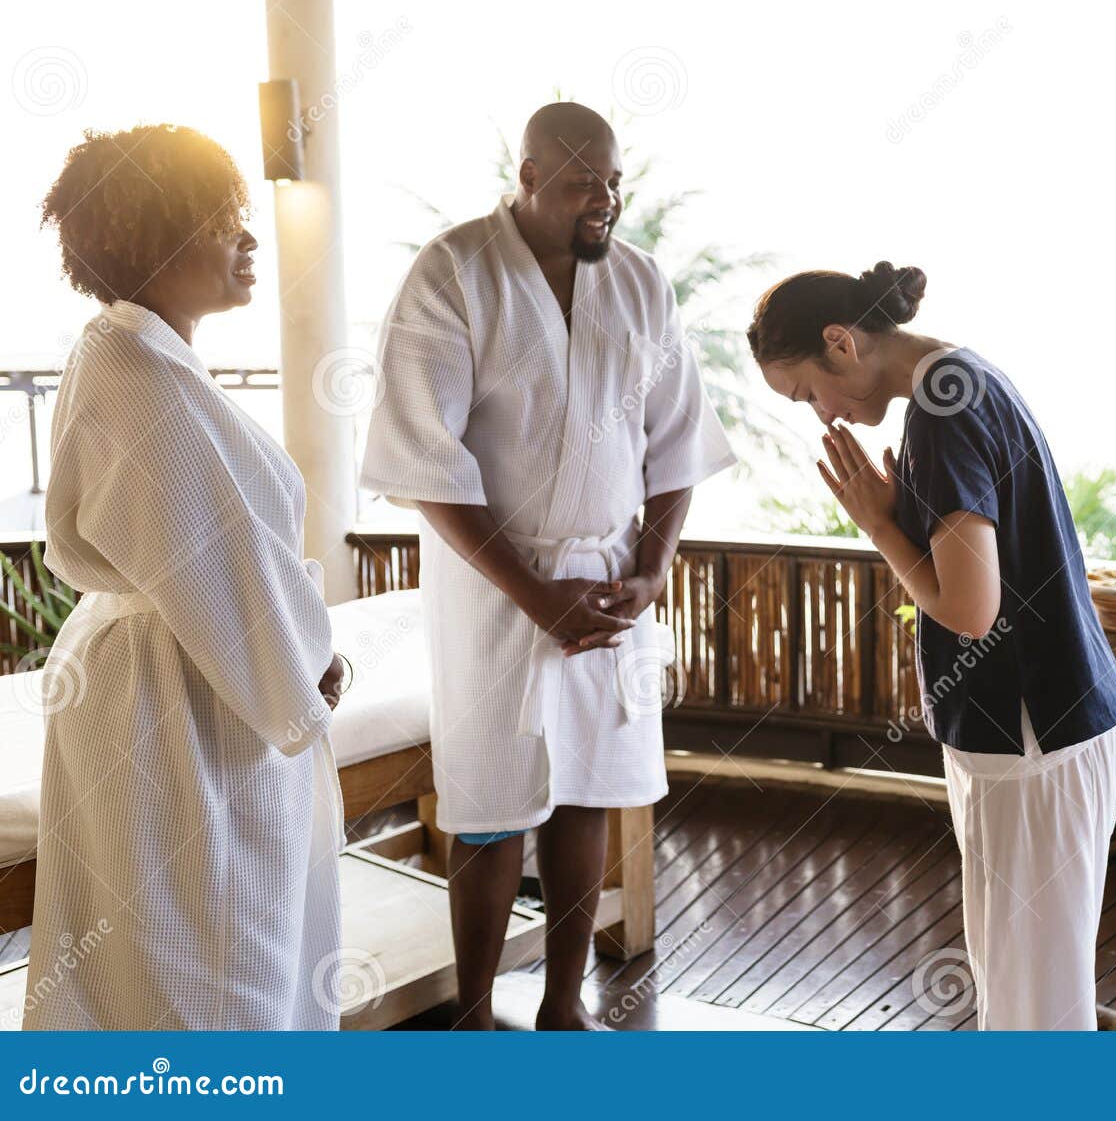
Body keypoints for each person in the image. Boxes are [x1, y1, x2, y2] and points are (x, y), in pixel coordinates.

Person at [361, 102, 735, 1030]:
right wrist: (535, 597)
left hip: (609, 585)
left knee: (590, 795)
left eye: (612, 181)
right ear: (525, 177)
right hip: (492, 589)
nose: (603, 200)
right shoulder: (453, 275)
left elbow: (676, 443)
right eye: (580, 184)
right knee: (488, 805)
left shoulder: (643, 285)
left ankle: (564, 1006)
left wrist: (650, 572)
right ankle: (476, 1013)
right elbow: (424, 463)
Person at [747, 263, 1116, 1030]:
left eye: (806, 393)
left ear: (840, 343)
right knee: (1035, 998)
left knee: (1034, 1018)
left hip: (1034, 744)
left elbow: (970, 608)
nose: (822, 415)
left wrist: (880, 526)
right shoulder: (963, 377)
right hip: (1059, 727)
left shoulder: (940, 411)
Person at [24, 125, 346, 1030]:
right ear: (149, 239)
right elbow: (221, 554)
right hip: (174, 696)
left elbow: (222, 546)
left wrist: (296, 655)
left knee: (187, 957)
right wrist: (309, 669)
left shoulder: (140, 356)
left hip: (183, 679)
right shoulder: (139, 373)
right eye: (220, 219)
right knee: (208, 968)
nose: (246, 239)